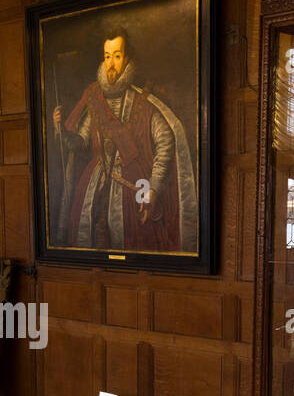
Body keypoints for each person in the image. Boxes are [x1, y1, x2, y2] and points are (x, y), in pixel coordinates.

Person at [52, 27, 197, 253]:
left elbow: (166, 143)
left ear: (127, 59)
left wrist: (153, 189)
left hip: (132, 187)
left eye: (117, 56)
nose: (111, 64)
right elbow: (80, 142)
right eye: (107, 56)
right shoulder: (94, 99)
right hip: (95, 183)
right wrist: (59, 128)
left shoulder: (143, 103)